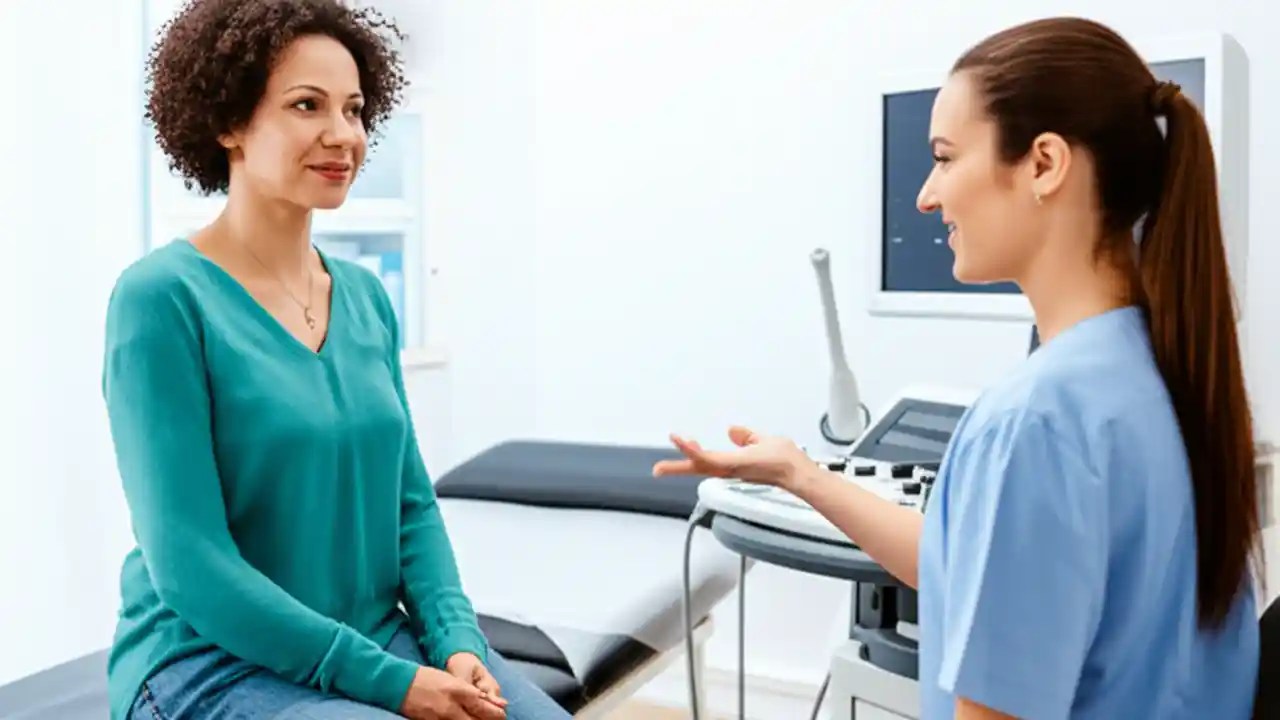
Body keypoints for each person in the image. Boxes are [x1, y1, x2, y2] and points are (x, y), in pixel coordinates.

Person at [654, 16, 1261, 720]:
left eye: (945, 157)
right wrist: (801, 475)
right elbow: (974, 571)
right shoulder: (1165, 374)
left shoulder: (1037, 422)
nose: (926, 195)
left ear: (1043, 164)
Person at [101, 2, 571, 719]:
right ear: (228, 121)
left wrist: (456, 643)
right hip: (212, 664)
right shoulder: (161, 301)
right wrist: (390, 683)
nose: (341, 134)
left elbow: (410, 505)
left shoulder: (363, 297)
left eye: (353, 109)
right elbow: (191, 567)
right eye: (306, 105)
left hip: (378, 637)